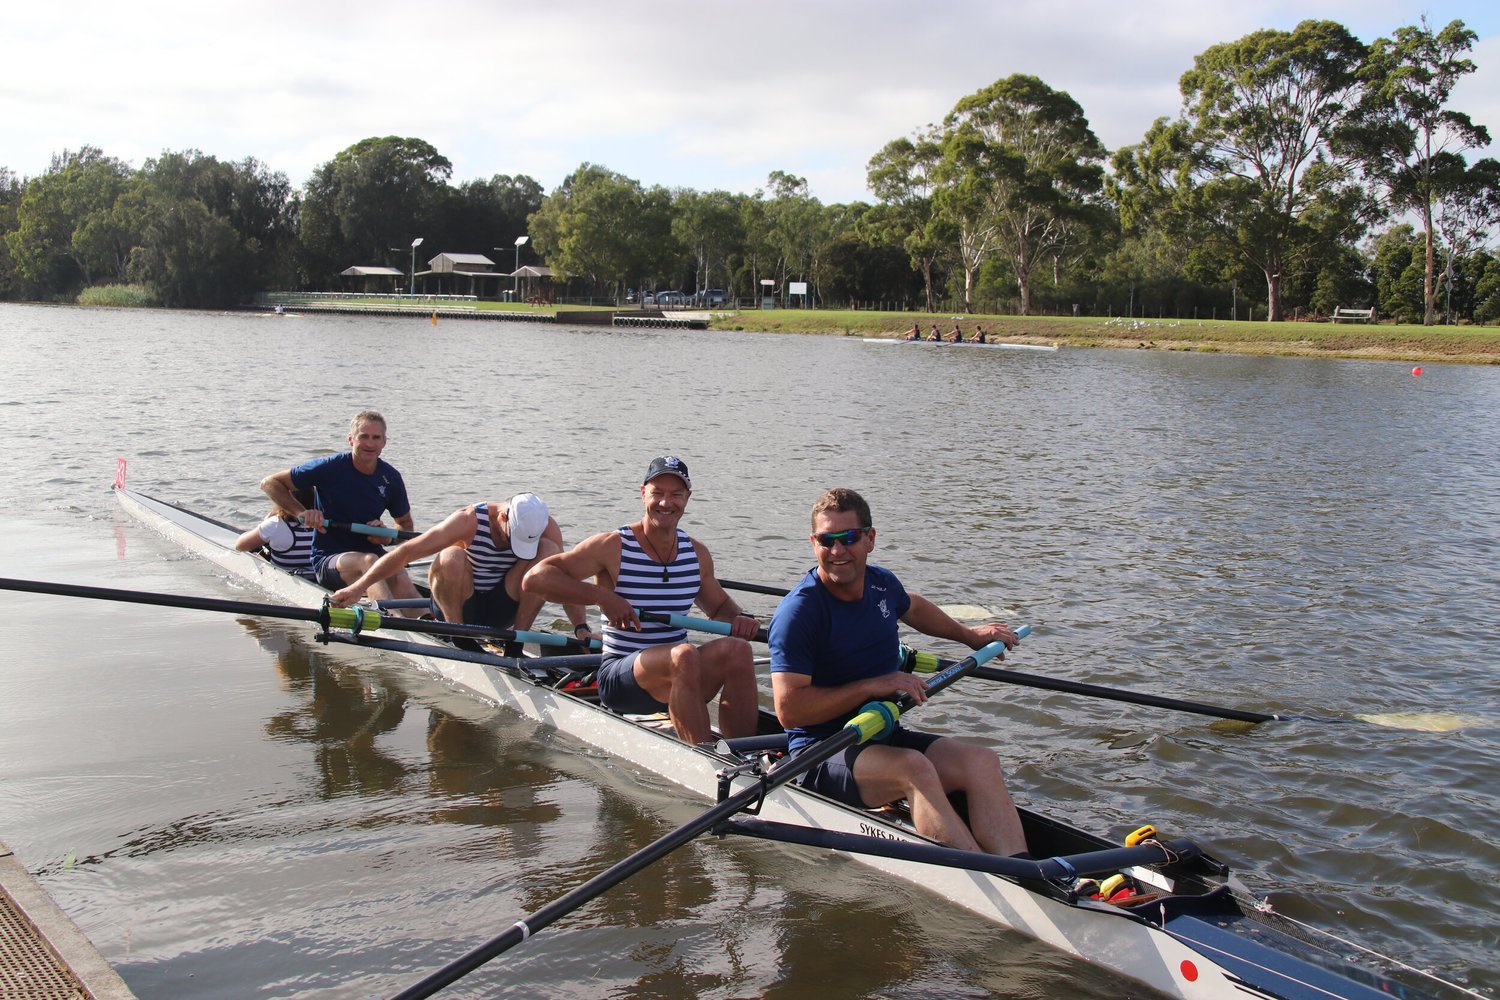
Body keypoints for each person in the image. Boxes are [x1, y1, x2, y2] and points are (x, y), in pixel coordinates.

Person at [768, 487, 1028, 856]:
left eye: (849, 538)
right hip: (820, 752)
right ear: (814, 542)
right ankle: (990, 876)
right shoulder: (798, 614)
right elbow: (788, 710)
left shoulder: (881, 584)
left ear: (870, 539)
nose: (838, 551)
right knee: (914, 768)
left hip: (881, 735)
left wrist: (969, 636)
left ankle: (1025, 870)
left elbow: (914, 607)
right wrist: (872, 686)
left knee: (981, 762)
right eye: (827, 540)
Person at [523, 456, 759, 745]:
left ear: (687, 498)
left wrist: (741, 620)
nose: (665, 502)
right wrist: (602, 597)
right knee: (684, 654)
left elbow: (720, 609)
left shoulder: (696, 553)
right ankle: (707, 759)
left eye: (675, 495)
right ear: (643, 493)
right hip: (620, 678)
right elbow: (535, 578)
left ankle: (745, 755)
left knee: (738, 650)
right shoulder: (612, 546)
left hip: (678, 673)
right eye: (657, 493)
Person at [330, 493, 589, 640]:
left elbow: (564, 581)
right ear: (502, 517)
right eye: (515, 538)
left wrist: (581, 628)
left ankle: (516, 640)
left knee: (550, 555)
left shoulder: (546, 527)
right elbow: (408, 551)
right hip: (461, 604)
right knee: (451, 556)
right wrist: (358, 587)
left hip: (503, 608)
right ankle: (458, 636)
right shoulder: (469, 520)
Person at [259, 410, 420, 605]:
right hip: (328, 558)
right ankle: (393, 619)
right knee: (368, 561)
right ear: (351, 440)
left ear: (384, 442)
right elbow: (270, 483)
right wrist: (301, 512)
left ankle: (429, 624)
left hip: (371, 555)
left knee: (398, 570)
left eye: (376, 438)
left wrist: (386, 537)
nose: (370, 443)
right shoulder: (330, 467)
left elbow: (405, 527)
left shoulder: (391, 478)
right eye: (363, 437)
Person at [234, 487, 316, 576]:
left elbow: (239, 546)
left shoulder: (275, 524)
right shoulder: (325, 523)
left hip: (285, 578)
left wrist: (265, 522)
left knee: (259, 546)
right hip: (318, 578)